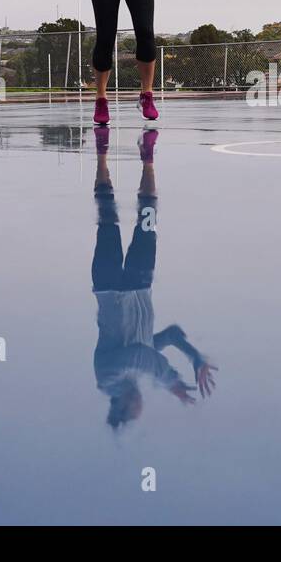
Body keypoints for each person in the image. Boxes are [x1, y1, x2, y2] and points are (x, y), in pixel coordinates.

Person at [91, 127, 217, 431]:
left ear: (121, 407)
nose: (141, 407)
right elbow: (170, 336)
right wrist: (194, 356)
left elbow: (140, 356)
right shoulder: (134, 375)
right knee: (149, 215)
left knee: (108, 216)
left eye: (135, 411)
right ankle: (147, 158)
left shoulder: (106, 377)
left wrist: (172, 384)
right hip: (140, 281)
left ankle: (101, 154)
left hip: (108, 284)